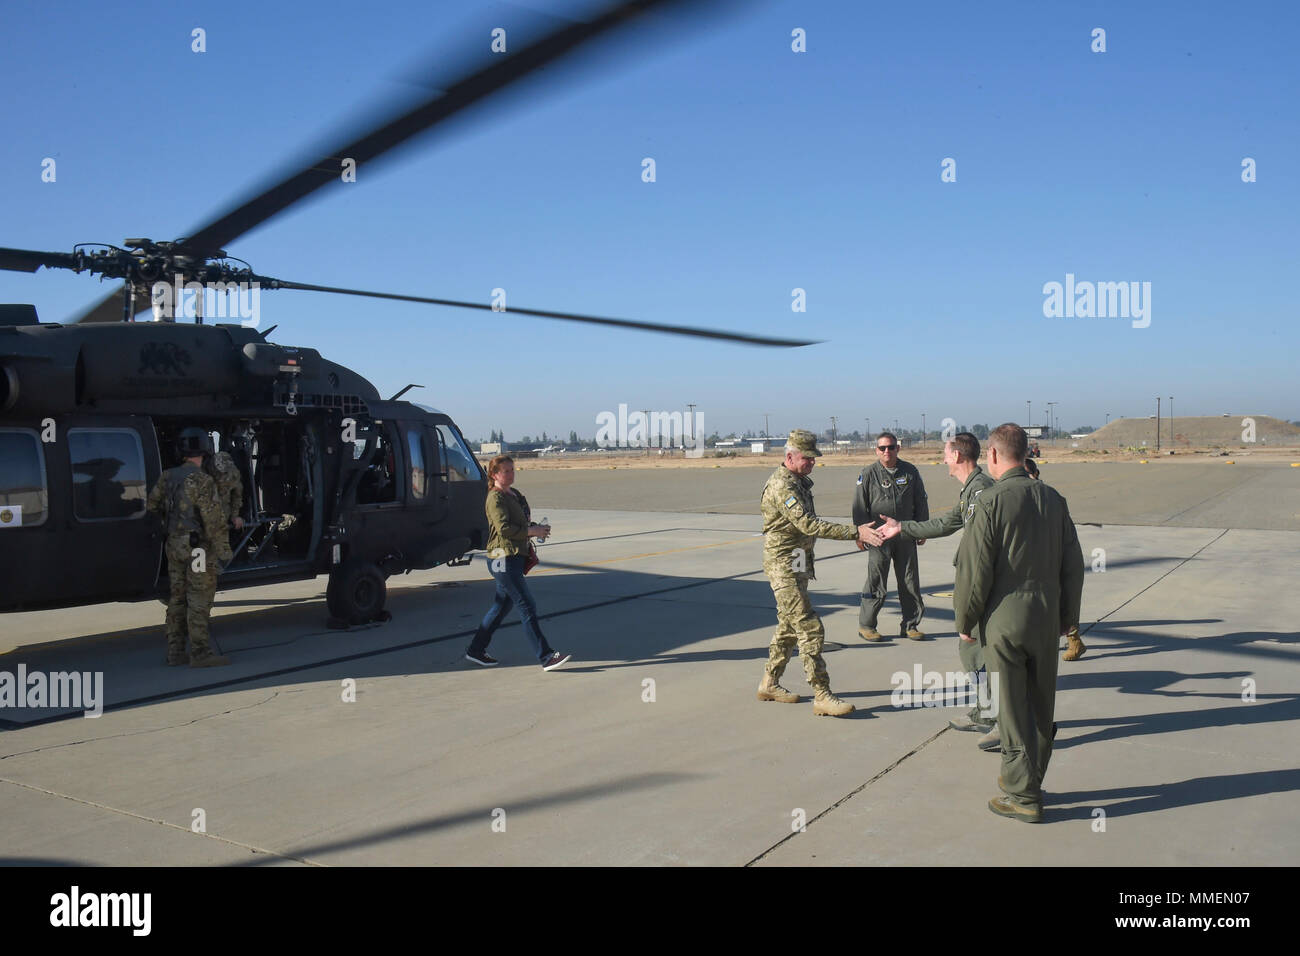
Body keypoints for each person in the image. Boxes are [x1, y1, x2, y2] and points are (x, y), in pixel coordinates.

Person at [954, 423, 1085, 823]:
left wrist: (966, 619)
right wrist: (1068, 619)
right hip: (1046, 616)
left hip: (1005, 618)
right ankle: (1032, 780)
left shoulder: (991, 502)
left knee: (1011, 709)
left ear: (992, 455)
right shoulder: (1054, 500)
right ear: (1026, 452)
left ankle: (1022, 793)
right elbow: (1073, 566)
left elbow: (974, 572)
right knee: (1041, 704)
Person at [875, 432, 995, 731]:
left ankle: (991, 714)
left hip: (984, 585)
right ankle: (987, 710)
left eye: (945, 453)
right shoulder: (972, 490)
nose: (943, 459)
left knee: (973, 649)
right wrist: (902, 528)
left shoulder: (982, 491)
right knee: (975, 651)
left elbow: (984, 549)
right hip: (983, 584)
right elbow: (945, 523)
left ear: (956, 456)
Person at [759, 429, 880, 717]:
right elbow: (810, 525)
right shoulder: (783, 487)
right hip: (783, 566)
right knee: (810, 626)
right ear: (789, 457)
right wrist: (856, 532)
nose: (812, 463)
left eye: (814, 458)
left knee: (789, 626)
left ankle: (769, 683)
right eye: (807, 458)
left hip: (798, 561)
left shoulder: (798, 482)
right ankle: (822, 694)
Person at [465, 455, 570, 671]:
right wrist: (531, 531)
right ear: (494, 474)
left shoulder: (514, 494)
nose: (511, 474)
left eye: (513, 470)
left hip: (513, 556)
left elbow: (519, 523)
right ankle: (546, 656)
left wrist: (536, 528)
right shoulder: (495, 498)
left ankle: (476, 650)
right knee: (526, 605)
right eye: (506, 471)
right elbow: (504, 529)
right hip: (501, 559)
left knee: (501, 606)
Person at [145, 427, 233, 667]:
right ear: (205, 450)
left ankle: (175, 652)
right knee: (198, 599)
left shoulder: (167, 476)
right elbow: (213, 521)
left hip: (174, 544)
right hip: (197, 548)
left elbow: (151, 506)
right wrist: (224, 550)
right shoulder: (203, 480)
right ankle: (201, 653)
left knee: (177, 598)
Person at [852, 432, 929, 641]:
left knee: (909, 580)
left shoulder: (910, 471)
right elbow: (860, 505)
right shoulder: (868, 473)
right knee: (876, 580)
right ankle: (867, 625)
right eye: (882, 448)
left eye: (891, 447)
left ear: (898, 448)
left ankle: (911, 625)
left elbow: (921, 500)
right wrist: (860, 534)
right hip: (878, 537)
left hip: (905, 533)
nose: (887, 451)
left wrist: (922, 529)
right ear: (876, 450)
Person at [1022, 459, 1087, 661]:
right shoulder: (1022, 495)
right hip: (1041, 556)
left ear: (1034, 473)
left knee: (1065, 600)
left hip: (1059, 554)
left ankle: (1074, 641)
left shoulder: (1048, 496)